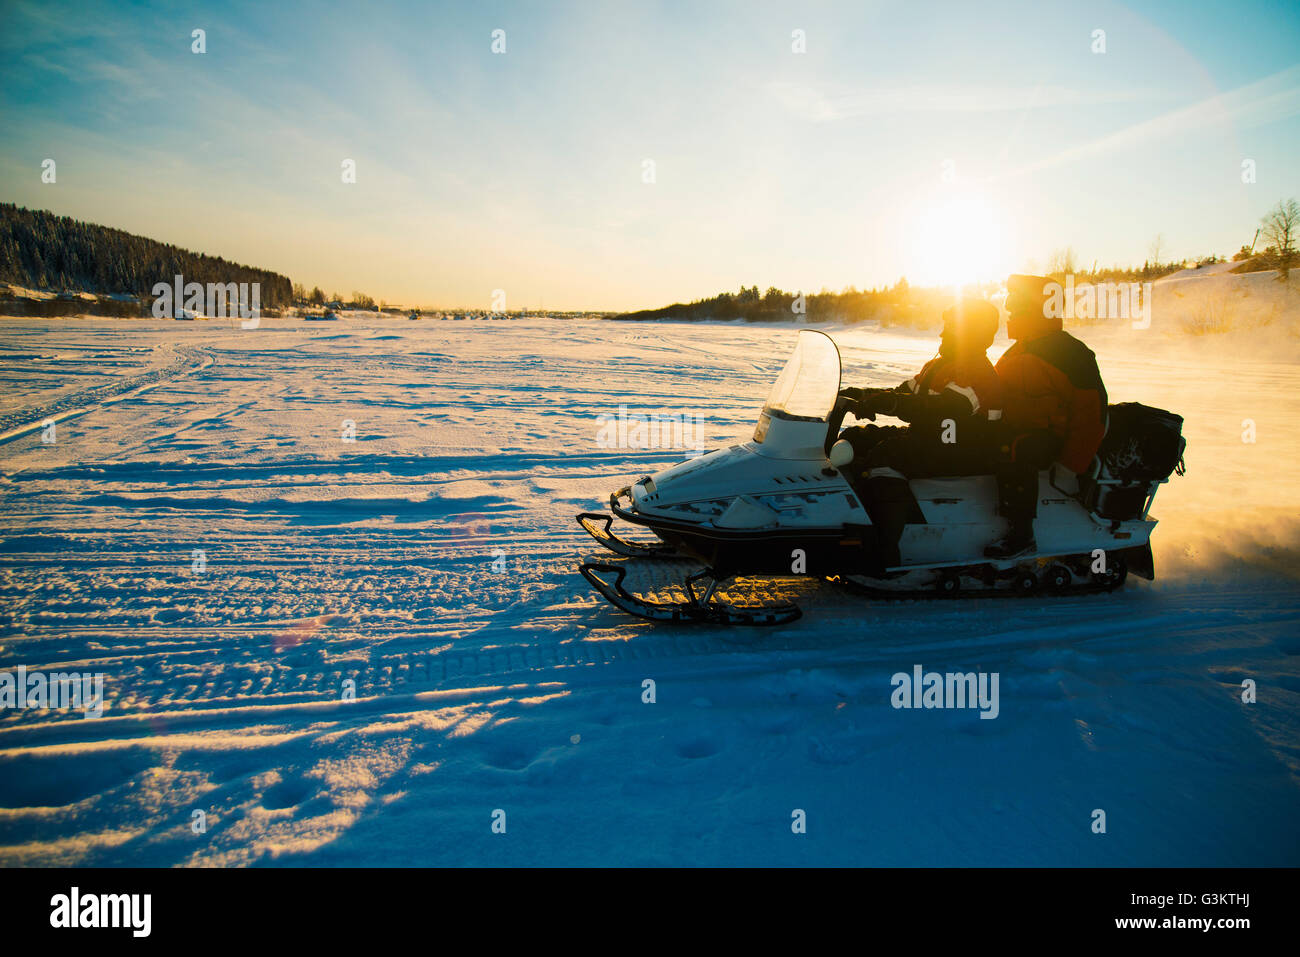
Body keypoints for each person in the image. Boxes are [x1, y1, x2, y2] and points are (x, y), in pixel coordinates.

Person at [836, 297, 1003, 568]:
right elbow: (904, 392)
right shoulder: (939, 364)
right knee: (858, 437)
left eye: (950, 328)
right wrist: (862, 395)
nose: (942, 332)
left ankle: (885, 551)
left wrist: (894, 405)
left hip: (965, 450)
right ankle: (846, 519)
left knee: (886, 457)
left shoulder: (978, 372)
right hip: (933, 440)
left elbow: (946, 407)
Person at [983, 274, 1108, 559]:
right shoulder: (1017, 351)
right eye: (1011, 306)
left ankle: (1022, 535)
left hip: (1053, 441)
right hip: (1018, 431)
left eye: (1017, 307)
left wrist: (1070, 467)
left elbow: (1092, 415)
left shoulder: (1071, 354)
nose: (1010, 312)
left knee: (1015, 448)